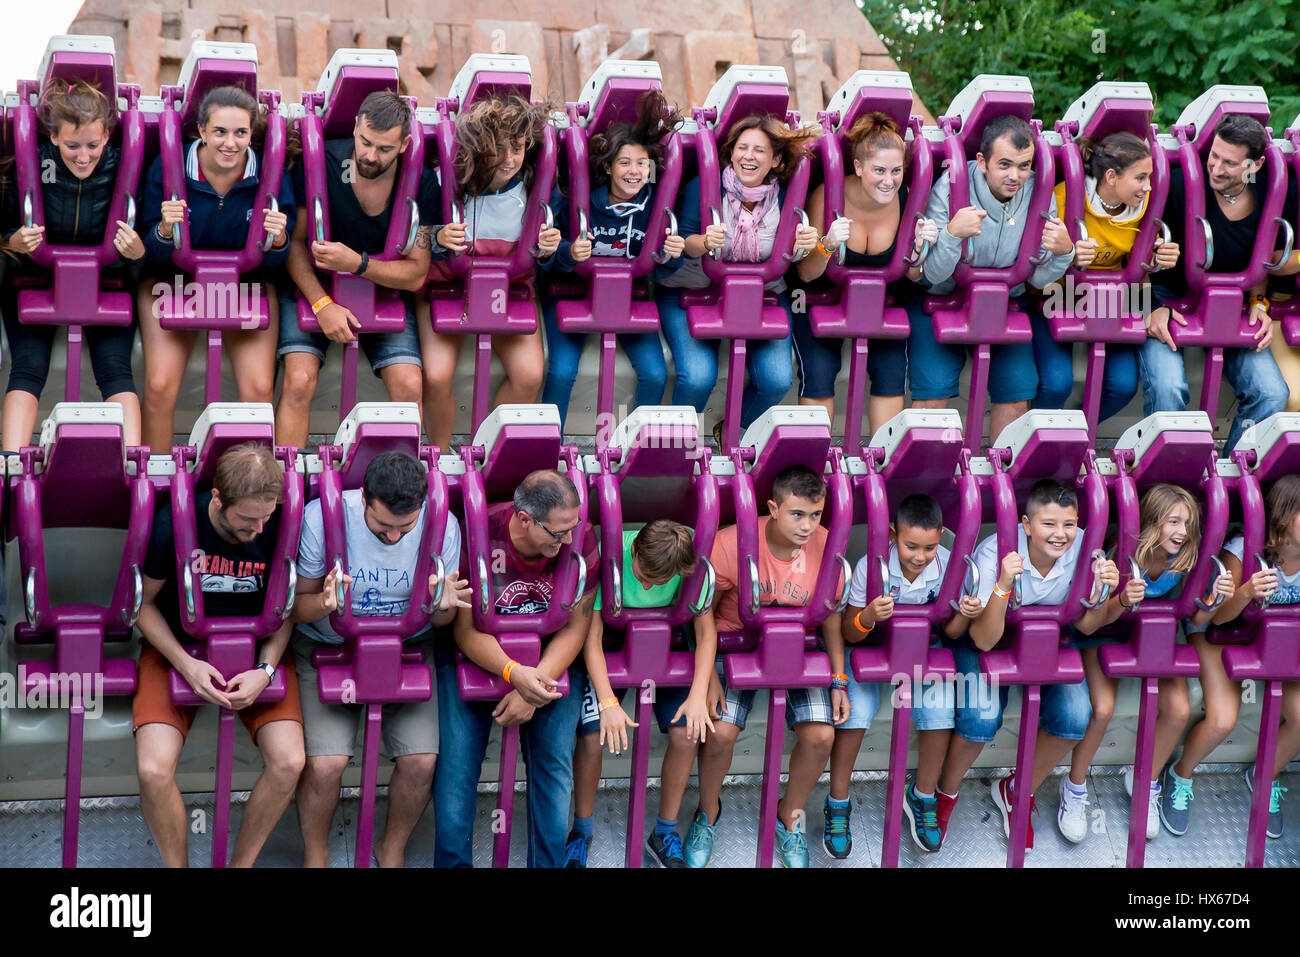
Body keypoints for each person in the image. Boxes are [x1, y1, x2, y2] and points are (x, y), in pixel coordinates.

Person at [290, 450, 469, 867]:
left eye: (404, 528)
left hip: (406, 647)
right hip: (329, 646)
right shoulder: (323, 518)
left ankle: (392, 848)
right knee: (326, 764)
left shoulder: (444, 526)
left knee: (421, 760)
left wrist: (442, 606)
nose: (392, 537)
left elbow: (442, 621)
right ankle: (316, 853)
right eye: (382, 526)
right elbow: (297, 608)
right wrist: (325, 603)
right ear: (364, 499)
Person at [132, 443, 303, 867]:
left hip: (255, 650)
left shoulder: (277, 520)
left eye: (265, 516)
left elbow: (287, 607)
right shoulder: (175, 522)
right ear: (219, 499)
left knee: (289, 762)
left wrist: (265, 669)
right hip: (179, 649)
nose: (259, 529)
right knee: (153, 770)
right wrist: (186, 664)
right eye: (248, 518)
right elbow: (141, 605)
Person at [434, 469, 600, 868]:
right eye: (556, 533)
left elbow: (578, 625)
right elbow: (465, 629)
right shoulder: (475, 531)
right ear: (524, 518)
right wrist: (514, 674)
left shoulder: (581, 538)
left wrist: (534, 683)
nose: (565, 542)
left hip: (548, 660)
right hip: (481, 658)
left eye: (571, 529)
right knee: (456, 770)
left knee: (554, 763)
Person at [942, 479, 1118, 853]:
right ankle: (944, 793)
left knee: (1075, 717)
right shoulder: (996, 555)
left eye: (1069, 524)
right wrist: (1004, 584)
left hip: (1046, 641)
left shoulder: (1085, 550)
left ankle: (1018, 790)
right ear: (1026, 524)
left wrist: (1103, 592)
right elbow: (983, 639)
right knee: (980, 718)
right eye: (1049, 524)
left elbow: (1087, 624)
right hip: (991, 638)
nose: (1061, 535)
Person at [684, 465, 846, 868]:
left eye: (815, 514)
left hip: (797, 648)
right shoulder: (732, 541)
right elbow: (700, 606)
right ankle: (708, 812)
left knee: (822, 736)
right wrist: (704, 677)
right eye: (797, 514)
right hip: (735, 645)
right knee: (719, 733)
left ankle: (788, 815)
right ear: (773, 507)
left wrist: (839, 680)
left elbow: (830, 617)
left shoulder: (826, 546)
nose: (807, 525)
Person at [1063, 484, 1233, 844]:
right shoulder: (1121, 555)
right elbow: (1093, 621)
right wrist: (1122, 599)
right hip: (1108, 630)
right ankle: (1075, 787)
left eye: (1188, 523)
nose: (1182, 532)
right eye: (1173, 521)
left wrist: (1216, 597)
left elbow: (1199, 621)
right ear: (1152, 522)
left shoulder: (1186, 558)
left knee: (1179, 708)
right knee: (1104, 708)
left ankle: (1146, 781)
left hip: (1154, 633)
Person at [276, 90, 444, 449]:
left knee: (410, 386)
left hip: (382, 291)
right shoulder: (322, 162)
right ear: (355, 126)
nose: (370, 155)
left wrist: (359, 265)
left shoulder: (422, 183)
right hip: (316, 290)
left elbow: (416, 273)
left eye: (384, 149)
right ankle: (285, 484)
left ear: (405, 145)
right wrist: (323, 304)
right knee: (298, 381)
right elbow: (295, 246)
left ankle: (402, 492)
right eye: (365, 142)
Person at [139, 85, 294, 453]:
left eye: (241, 133)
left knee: (258, 391)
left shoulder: (267, 174)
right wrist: (162, 231)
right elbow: (149, 253)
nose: (230, 143)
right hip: (174, 282)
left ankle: (248, 483)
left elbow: (275, 261)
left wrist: (277, 241)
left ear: (251, 135)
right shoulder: (171, 167)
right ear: (203, 132)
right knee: (160, 386)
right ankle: (160, 481)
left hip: (245, 283)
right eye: (220, 132)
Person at [909, 114, 1076, 442]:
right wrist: (951, 235)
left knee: (1016, 397)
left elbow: (1039, 280)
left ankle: (1001, 477)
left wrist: (1064, 253)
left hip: (1005, 302)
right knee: (932, 397)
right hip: (941, 298)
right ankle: (931, 478)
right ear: (982, 162)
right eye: (1005, 165)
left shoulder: (1037, 193)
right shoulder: (951, 187)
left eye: (1024, 166)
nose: (1015, 176)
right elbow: (932, 272)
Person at [833, 493, 983, 856]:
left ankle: (923, 794)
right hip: (871, 648)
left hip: (921, 650)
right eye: (911, 546)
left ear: (941, 538)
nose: (919, 556)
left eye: (929, 547)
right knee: (857, 711)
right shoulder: (872, 565)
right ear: (892, 535)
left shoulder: (947, 564)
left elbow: (951, 632)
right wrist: (868, 616)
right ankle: (838, 800)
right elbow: (849, 632)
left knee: (940, 709)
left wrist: (966, 612)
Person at [563, 519, 719, 868]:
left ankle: (664, 833)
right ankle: (581, 831)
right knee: (591, 737)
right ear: (633, 551)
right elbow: (591, 636)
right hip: (611, 647)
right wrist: (607, 702)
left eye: (660, 582)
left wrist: (697, 696)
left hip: (665, 645)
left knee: (687, 734)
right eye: (643, 576)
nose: (648, 587)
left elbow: (706, 635)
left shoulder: (693, 567)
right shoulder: (609, 555)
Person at [655, 114, 821, 437]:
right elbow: (684, 240)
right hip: (693, 290)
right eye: (742, 148)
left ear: (774, 160)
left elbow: (791, 251)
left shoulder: (785, 195)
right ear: (731, 154)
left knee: (776, 380)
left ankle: (734, 434)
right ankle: (672, 445)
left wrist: (805, 244)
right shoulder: (704, 186)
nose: (749, 156)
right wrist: (704, 242)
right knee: (698, 376)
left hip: (761, 294)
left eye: (759, 150)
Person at [1, 79, 143, 450]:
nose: (83, 156)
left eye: (93, 146)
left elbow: (149, 239)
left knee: (115, 370)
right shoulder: (32, 165)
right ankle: (11, 460)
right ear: (53, 139)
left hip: (105, 279)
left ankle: (130, 460)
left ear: (108, 137)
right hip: (36, 278)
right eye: (72, 146)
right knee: (28, 367)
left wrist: (138, 249)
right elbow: (5, 229)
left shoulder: (121, 166)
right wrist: (14, 241)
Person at [1138, 113, 1293, 453]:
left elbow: (1263, 264)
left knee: (1272, 393)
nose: (1217, 169)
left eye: (1231, 163)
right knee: (1168, 388)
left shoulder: (1272, 192)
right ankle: (1168, 484)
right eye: (1215, 156)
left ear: (1257, 164)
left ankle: (1226, 475)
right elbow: (1135, 254)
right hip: (1166, 301)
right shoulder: (1178, 184)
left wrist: (1259, 305)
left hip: (1229, 305)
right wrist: (1152, 308)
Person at [1162, 474, 1300, 840]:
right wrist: (1246, 592)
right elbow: (1217, 617)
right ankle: (1180, 775)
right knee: (1223, 719)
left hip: (1274, 639)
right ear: (1284, 518)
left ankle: (1264, 775)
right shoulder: (1244, 549)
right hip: (1219, 632)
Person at [419, 95, 560, 451]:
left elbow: (554, 248)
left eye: (518, 148)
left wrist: (549, 247)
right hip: (446, 287)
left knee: (529, 375)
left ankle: (486, 450)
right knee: (436, 376)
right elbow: (409, 236)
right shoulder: (443, 179)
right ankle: (441, 453)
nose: (509, 159)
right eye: (499, 148)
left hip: (508, 288)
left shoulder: (534, 189)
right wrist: (435, 236)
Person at [540, 90, 686, 429]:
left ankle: (631, 448)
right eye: (624, 163)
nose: (633, 172)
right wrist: (566, 251)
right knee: (561, 372)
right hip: (573, 292)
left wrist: (672, 254)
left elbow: (665, 265)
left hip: (627, 296)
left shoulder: (654, 205)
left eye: (640, 164)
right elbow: (550, 253)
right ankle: (550, 448)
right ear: (608, 166)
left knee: (654, 373)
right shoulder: (581, 200)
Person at [795, 112, 936, 438]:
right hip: (820, 298)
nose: (889, 180)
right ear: (858, 168)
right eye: (879, 171)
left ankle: (882, 462)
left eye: (896, 171)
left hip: (880, 302)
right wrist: (827, 244)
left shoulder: (908, 197)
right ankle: (818, 461)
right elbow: (805, 273)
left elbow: (913, 276)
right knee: (818, 371)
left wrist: (920, 251)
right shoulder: (828, 194)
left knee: (890, 371)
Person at [1033, 131, 1182, 423]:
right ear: (1111, 176)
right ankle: (1035, 436)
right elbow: (1034, 269)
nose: (1148, 187)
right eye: (1140, 178)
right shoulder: (1062, 200)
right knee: (1056, 383)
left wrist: (1156, 262)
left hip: (1112, 301)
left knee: (1123, 385)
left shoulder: (1144, 209)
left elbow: (1139, 275)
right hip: (1056, 298)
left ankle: (1070, 433)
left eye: (1150, 178)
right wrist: (1067, 256)